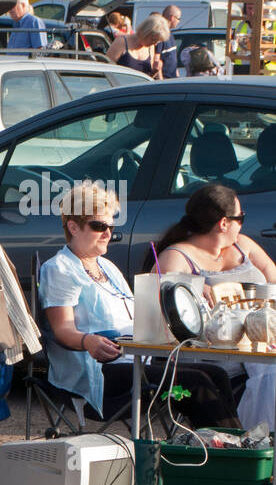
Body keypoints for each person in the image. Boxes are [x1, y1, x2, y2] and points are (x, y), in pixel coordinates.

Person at [39, 182, 240, 430]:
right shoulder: (60, 269)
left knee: (216, 374)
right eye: (99, 226)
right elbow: (62, 331)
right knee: (196, 382)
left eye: (111, 226)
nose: (108, 233)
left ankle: (233, 449)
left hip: (135, 360)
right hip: (98, 370)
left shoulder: (107, 267)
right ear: (73, 227)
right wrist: (88, 341)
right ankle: (231, 453)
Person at [153, 183, 276, 292]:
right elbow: (160, 298)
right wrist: (194, 288)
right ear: (223, 223)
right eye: (240, 218)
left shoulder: (243, 244)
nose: (241, 225)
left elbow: (273, 278)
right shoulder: (176, 257)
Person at [106, 14, 170, 78]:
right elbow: (106, 69)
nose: (155, 44)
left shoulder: (150, 47)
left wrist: (155, 71)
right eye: (153, 40)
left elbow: (147, 78)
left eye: (157, 41)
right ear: (145, 33)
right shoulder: (121, 42)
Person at [157, 5, 183, 79]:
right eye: (178, 19)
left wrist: (177, 77)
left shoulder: (170, 34)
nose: (179, 21)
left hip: (173, 78)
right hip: (164, 80)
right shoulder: (160, 35)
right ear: (172, 18)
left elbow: (173, 59)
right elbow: (156, 61)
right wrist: (160, 81)